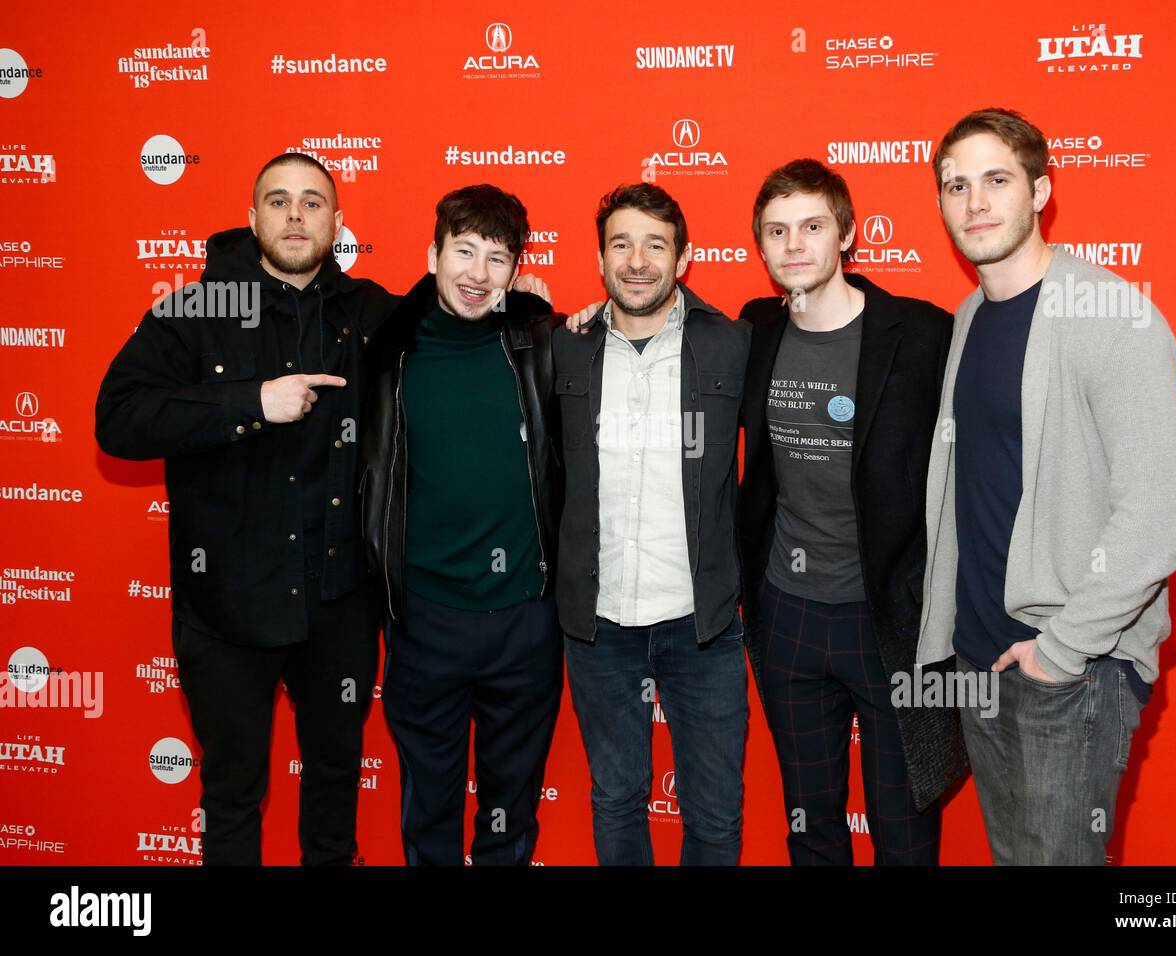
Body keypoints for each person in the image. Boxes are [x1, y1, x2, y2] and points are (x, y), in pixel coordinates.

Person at [95, 153, 397, 865]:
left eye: (313, 202)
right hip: (227, 608)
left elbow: (460, 319)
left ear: (338, 222)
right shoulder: (194, 310)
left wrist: (531, 306)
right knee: (232, 795)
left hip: (338, 603)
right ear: (254, 215)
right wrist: (248, 404)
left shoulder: (370, 312)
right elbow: (118, 420)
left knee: (334, 786)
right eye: (279, 201)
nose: (296, 215)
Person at [917, 108, 1176, 865]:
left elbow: (1161, 514)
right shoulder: (970, 315)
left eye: (997, 180)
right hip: (980, 660)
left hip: (1071, 669)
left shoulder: (1112, 317)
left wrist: (1063, 649)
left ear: (1040, 190)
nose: (974, 203)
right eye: (956, 186)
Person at [736, 159, 964, 865]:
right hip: (789, 617)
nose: (794, 244)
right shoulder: (756, 329)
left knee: (904, 835)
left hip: (891, 621)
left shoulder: (923, 333)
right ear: (761, 245)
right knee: (812, 829)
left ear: (848, 234)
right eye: (777, 231)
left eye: (811, 226)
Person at [358, 184, 562, 865]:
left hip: (525, 622)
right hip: (425, 623)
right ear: (433, 255)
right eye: (464, 251)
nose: (477, 273)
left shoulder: (540, 344)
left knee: (511, 808)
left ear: (516, 270)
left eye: (497, 259)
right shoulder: (387, 354)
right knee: (430, 807)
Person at [552, 183, 750, 865]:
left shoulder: (733, 344)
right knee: (616, 801)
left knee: (716, 816)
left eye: (655, 245)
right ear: (600, 256)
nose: (637, 260)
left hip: (705, 626)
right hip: (599, 624)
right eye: (621, 244)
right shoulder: (564, 347)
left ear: (684, 257)